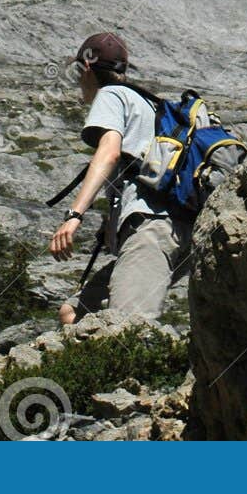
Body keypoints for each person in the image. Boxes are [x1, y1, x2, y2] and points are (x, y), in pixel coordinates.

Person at [49, 32, 191, 326]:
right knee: (73, 314)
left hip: (152, 228)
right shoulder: (148, 104)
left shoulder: (110, 95)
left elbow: (109, 152)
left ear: (86, 68)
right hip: (175, 227)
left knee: (128, 327)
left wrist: (74, 215)